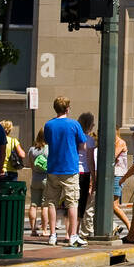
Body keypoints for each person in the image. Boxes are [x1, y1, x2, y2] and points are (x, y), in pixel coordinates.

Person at [42, 96, 89, 247]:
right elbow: (83, 146)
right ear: (67, 108)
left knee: (51, 202)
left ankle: (52, 235)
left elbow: (48, 142)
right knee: (72, 203)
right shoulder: (74, 124)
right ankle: (73, 235)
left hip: (53, 168)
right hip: (70, 168)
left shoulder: (49, 125)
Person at [76, 111, 97, 234]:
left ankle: (70, 232)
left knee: (72, 202)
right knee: (81, 203)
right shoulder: (89, 140)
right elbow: (90, 161)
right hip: (84, 172)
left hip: (73, 171)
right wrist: (93, 178)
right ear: (89, 125)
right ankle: (76, 231)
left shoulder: (74, 137)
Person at [27, 128, 49, 236]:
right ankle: (44, 230)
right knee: (45, 206)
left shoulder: (32, 150)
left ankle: (33, 230)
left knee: (33, 205)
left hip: (35, 178)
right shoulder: (49, 149)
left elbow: (30, 165)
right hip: (46, 179)